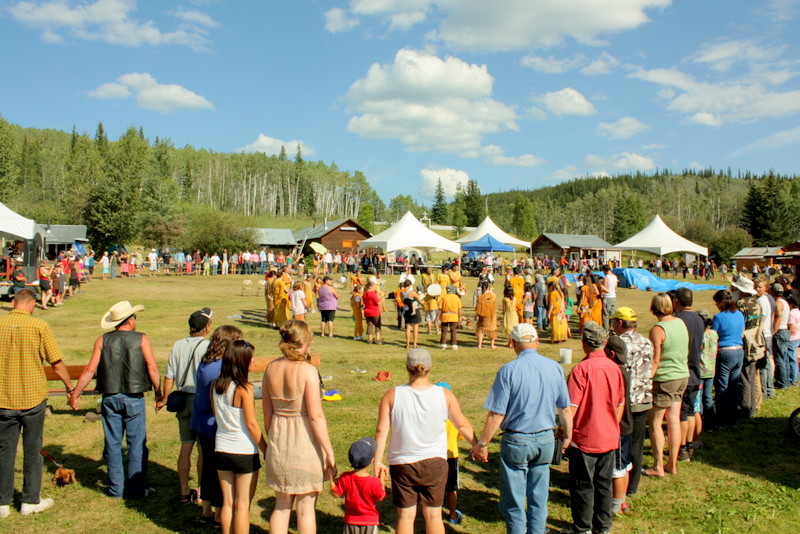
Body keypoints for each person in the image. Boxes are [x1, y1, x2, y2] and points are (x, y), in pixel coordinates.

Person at [471, 323, 572, 534]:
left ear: (514, 343)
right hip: (545, 439)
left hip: (517, 440)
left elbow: (497, 413)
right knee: (539, 497)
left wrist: (482, 443)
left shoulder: (509, 370)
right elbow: (564, 409)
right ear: (536, 341)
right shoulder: (555, 367)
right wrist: (568, 435)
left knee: (514, 501)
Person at [373, 349, 477, 534]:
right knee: (434, 516)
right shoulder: (444, 394)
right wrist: (477, 445)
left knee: (405, 517)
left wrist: (378, 461)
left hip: (402, 464)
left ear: (406, 368)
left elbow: (381, 430)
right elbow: (462, 425)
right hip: (435, 464)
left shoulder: (392, 395)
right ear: (430, 368)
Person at [70, 301, 163, 498]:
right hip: (134, 397)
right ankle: (136, 489)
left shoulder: (103, 339)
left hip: (110, 397)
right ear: (129, 321)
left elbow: (89, 370)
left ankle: (116, 489)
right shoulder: (141, 339)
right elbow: (152, 368)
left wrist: (76, 393)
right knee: (136, 444)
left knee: (112, 444)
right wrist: (159, 393)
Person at [0, 290, 75, 518]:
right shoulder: (39, 326)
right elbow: (56, 362)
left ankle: (2, 503)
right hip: (32, 399)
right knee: (33, 451)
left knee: (4, 451)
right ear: (32, 305)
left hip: (3, 398)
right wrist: (70, 388)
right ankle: (30, 500)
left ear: (14, 303)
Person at [263, 321, 337, 534]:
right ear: (302, 343)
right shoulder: (308, 371)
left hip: (279, 439)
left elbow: (267, 413)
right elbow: (315, 416)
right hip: (305, 442)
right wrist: (329, 451)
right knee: (305, 508)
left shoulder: (271, 368)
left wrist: (273, 438)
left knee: (282, 504)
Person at [564, 321, 625, 534]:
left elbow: (570, 408)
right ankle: (603, 525)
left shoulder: (581, 370)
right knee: (603, 484)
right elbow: (620, 402)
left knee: (582, 486)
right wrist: (612, 425)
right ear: (605, 342)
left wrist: (564, 434)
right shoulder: (614, 368)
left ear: (584, 344)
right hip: (608, 436)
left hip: (585, 438)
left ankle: (582, 528)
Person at [155, 307, 213, 504]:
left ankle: (183, 490)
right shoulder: (207, 346)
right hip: (200, 399)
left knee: (186, 446)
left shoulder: (178, 344)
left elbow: (169, 375)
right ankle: (201, 489)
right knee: (203, 450)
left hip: (182, 400)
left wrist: (164, 398)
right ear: (206, 328)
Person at [212, 340, 267, 534]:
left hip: (221, 447)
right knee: (242, 506)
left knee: (228, 503)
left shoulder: (215, 386)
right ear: (243, 362)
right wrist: (266, 449)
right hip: (243, 451)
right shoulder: (245, 389)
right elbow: (251, 424)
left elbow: (217, 416)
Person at [192, 325, 243, 526]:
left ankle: (206, 509)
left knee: (207, 467)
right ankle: (219, 513)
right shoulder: (220, 368)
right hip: (214, 425)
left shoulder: (205, 362)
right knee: (220, 471)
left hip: (201, 422)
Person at [608, 307, 652, 496]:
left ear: (619, 323)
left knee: (620, 444)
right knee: (637, 444)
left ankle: (618, 483)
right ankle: (632, 485)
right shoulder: (646, 341)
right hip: (643, 398)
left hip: (624, 402)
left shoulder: (618, 343)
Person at [644, 293, 689, 477]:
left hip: (665, 378)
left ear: (654, 308)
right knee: (674, 421)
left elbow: (655, 360)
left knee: (655, 422)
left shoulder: (658, 329)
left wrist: (647, 380)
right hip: (682, 375)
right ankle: (672, 464)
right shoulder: (680, 323)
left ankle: (658, 466)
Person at [669, 288, 705, 462]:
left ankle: (682, 449)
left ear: (677, 301)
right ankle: (690, 444)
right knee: (690, 411)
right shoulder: (699, 319)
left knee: (682, 413)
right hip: (696, 370)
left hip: (683, 370)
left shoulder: (678, 320)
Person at [332, 437, 386, 534]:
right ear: (372, 460)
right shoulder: (374, 482)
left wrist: (330, 477)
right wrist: (381, 479)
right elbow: (380, 496)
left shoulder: (345, 477)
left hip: (350, 520)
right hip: (370, 521)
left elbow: (336, 493)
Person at [711, 290, 745, 427]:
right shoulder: (739, 314)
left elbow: (713, 336)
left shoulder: (718, 317)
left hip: (725, 352)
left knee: (722, 386)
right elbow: (742, 332)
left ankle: (721, 416)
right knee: (733, 385)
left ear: (721, 302)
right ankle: (733, 415)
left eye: (717, 302)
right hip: (739, 351)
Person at [696, 310, 718, 432]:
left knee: (698, 398)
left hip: (700, 369)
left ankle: (700, 423)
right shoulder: (714, 333)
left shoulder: (699, 335)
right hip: (711, 369)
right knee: (708, 397)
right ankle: (710, 423)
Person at [771, 283, 791, 389]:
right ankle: (786, 379)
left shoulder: (778, 303)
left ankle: (782, 382)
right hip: (785, 331)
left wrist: (773, 332)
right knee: (785, 358)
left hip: (780, 331)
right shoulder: (785, 302)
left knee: (779, 359)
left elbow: (778, 319)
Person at [475, 282, 497, 349]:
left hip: (482, 315)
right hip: (491, 315)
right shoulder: (492, 296)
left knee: (481, 330)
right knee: (492, 329)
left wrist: (477, 315)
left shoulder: (480, 297)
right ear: (488, 287)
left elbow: (477, 307)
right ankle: (492, 345)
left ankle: (479, 345)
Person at [402, 281, 422, 349]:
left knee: (408, 328)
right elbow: (419, 300)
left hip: (407, 310)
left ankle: (407, 344)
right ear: (410, 285)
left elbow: (403, 301)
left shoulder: (402, 292)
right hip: (415, 310)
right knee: (415, 328)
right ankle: (414, 344)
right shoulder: (412, 292)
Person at [601, 266, 618, 330]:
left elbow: (604, 288)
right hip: (613, 296)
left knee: (606, 315)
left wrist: (602, 294)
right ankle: (613, 329)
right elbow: (616, 286)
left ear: (605, 270)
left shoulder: (606, 277)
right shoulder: (615, 277)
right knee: (612, 314)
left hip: (607, 296)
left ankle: (606, 330)